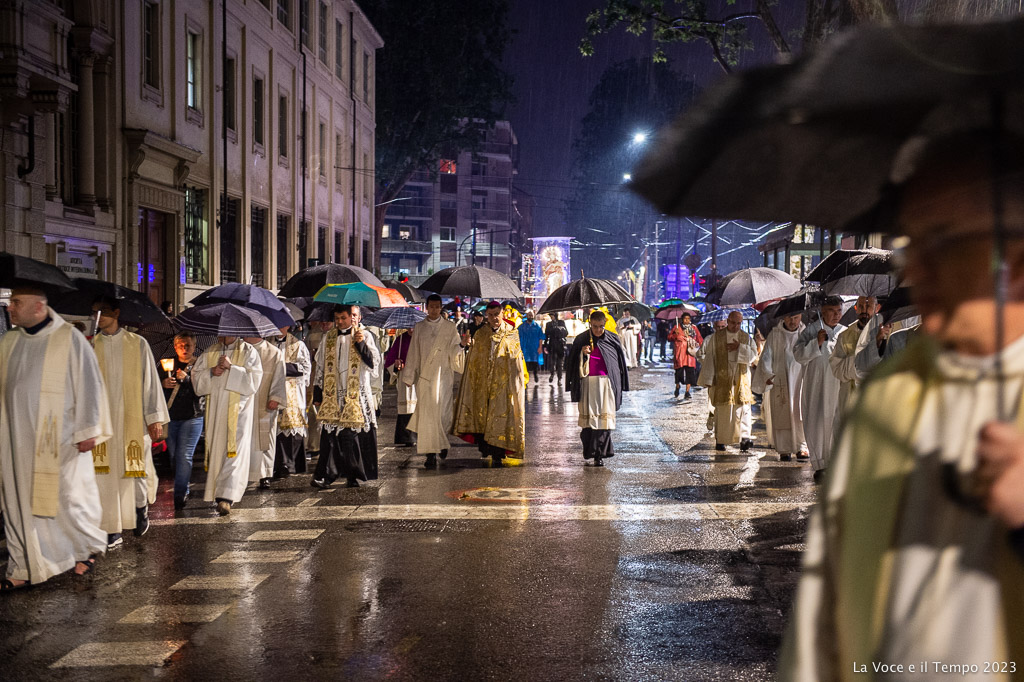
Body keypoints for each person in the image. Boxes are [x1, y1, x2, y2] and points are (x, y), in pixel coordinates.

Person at [780, 132, 1024, 681]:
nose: (915, 270)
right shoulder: (893, 391)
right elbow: (828, 600)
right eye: (913, 245)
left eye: (944, 242)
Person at [0, 288, 111, 589]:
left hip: (60, 439)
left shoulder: (69, 338)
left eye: (16, 302)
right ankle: (23, 566)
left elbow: (90, 383)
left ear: (38, 307)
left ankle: (86, 548)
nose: (10, 308)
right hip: (16, 439)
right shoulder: (10, 341)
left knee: (67, 501)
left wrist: (88, 429)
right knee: (17, 503)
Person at [89, 297, 168, 548]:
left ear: (116, 313)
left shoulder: (137, 343)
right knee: (104, 476)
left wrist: (154, 418)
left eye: (102, 312)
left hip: (133, 419)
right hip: (103, 423)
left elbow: (150, 382)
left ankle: (139, 507)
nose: (98, 318)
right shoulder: (91, 346)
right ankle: (111, 529)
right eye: (94, 313)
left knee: (134, 472)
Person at [192, 335, 263, 515]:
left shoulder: (248, 352)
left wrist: (232, 368)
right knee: (218, 450)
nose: (223, 335)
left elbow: (253, 383)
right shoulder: (210, 352)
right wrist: (211, 371)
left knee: (234, 451)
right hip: (216, 411)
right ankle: (218, 493)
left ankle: (226, 497)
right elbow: (197, 379)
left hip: (238, 412)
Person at [311, 305, 380, 489]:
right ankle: (326, 475)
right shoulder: (329, 337)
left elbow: (373, 366)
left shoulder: (365, 336)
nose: (339, 322)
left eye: (343, 318)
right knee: (330, 437)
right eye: (337, 318)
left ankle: (353, 475)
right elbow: (321, 367)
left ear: (352, 317)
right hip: (333, 394)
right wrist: (318, 393)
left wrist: (361, 344)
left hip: (355, 395)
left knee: (350, 437)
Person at [453, 301, 527, 464]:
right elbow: (474, 359)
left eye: (497, 315)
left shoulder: (511, 333)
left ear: (502, 314)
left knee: (500, 417)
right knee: (485, 416)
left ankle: (498, 453)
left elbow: (516, 359)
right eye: (491, 315)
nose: (494, 318)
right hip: (483, 383)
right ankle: (486, 447)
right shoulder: (481, 334)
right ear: (487, 315)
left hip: (503, 383)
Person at [403, 295, 467, 467]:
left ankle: (442, 440)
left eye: (437, 307)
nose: (434, 310)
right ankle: (430, 454)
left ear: (440, 308)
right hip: (425, 378)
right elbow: (414, 352)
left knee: (443, 414)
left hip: (443, 377)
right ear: (427, 308)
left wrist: (461, 345)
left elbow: (454, 351)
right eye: (431, 307)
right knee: (427, 417)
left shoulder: (449, 327)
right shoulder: (419, 327)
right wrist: (409, 376)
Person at [566, 310, 629, 466]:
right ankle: (590, 451)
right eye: (595, 326)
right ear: (590, 324)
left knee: (604, 422)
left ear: (605, 324)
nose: (598, 330)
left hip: (606, 383)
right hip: (588, 384)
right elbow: (571, 363)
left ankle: (599, 454)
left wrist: (621, 383)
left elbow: (618, 363)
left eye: (601, 326)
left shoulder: (612, 338)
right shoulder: (581, 339)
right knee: (589, 422)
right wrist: (583, 354)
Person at [793, 296, 846, 483]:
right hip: (817, 385)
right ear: (823, 312)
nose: (836, 315)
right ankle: (820, 464)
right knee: (817, 421)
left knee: (837, 421)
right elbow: (798, 354)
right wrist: (816, 343)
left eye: (839, 311)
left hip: (838, 385)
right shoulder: (812, 330)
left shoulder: (845, 332)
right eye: (832, 311)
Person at [698, 310, 758, 451]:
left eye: (738, 323)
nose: (735, 326)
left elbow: (753, 357)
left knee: (742, 409)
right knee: (722, 410)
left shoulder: (746, 338)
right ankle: (721, 439)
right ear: (728, 321)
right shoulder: (716, 337)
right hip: (721, 378)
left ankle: (744, 438)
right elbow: (710, 358)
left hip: (740, 379)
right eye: (733, 323)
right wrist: (708, 378)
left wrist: (740, 348)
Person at [755, 313, 806, 462]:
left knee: (800, 413)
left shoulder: (805, 334)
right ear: (783, 318)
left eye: (796, 317)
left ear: (801, 316)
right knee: (782, 414)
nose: (792, 321)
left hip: (800, 379)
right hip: (780, 380)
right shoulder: (775, 335)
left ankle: (802, 446)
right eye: (789, 317)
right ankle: (784, 449)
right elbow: (766, 356)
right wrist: (767, 374)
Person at [162, 331, 204, 509]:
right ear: (175, 347)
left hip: (192, 417)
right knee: (174, 456)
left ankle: (180, 493)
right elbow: (155, 388)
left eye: (188, 345)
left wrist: (187, 380)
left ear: (194, 346)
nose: (184, 348)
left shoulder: (200, 364)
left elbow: (203, 389)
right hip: (171, 416)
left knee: (184, 455)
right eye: (180, 345)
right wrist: (163, 383)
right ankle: (182, 484)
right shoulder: (166, 363)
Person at [243, 333, 286, 490]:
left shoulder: (273, 352)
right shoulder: (240, 350)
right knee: (244, 438)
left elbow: (279, 376)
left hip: (264, 401)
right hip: (244, 402)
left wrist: (275, 397)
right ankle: (244, 474)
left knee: (265, 438)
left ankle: (265, 474)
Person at [829, 295, 879, 427]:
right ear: (855, 308)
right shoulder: (844, 336)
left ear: (877, 308)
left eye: (868, 306)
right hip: (849, 399)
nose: (864, 310)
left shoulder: (884, 332)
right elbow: (836, 369)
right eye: (861, 306)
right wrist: (858, 361)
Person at [274, 325, 312, 478]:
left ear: (287, 326)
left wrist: (284, 368)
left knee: (291, 428)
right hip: (272, 392)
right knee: (275, 429)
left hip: (292, 392)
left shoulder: (298, 345)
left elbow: (306, 368)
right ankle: (277, 465)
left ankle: (291, 464)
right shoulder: (267, 344)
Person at [304, 319, 332, 458]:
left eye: (328, 321)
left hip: (331, 375)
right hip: (314, 374)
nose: (324, 323)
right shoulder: (313, 333)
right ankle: (313, 444)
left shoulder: (335, 335)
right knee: (312, 410)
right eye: (322, 321)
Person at [384, 328, 416, 447]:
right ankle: (407, 437)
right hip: (404, 375)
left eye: (414, 326)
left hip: (420, 376)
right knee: (406, 404)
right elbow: (390, 361)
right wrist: (396, 364)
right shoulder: (400, 339)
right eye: (409, 326)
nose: (411, 329)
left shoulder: (424, 338)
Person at [697, 319, 728, 434]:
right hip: (713, 374)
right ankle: (711, 414)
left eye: (723, 327)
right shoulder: (709, 339)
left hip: (727, 375)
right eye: (718, 327)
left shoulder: (731, 339)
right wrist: (709, 361)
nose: (720, 329)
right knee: (713, 397)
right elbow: (700, 354)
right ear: (714, 327)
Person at [667, 313, 703, 399]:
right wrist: (675, 335)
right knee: (679, 371)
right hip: (680, 353)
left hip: (690, 354)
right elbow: (669, 338)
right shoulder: (676, 327)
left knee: (690, 372)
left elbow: (699, 338)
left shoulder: (693, 328)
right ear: (682, 319)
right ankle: (677, 386)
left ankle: (687, 391)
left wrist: (702, 348)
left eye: (688, 318)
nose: (687, 320)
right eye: (685, 318)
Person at [544, 313, 569, 385]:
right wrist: (545, 345)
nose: (551, 317)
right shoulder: (549, 324)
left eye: (552, 316)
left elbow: (566, 333)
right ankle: (552, 374)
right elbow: (546, 335)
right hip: (552, 345)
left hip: (560, 345)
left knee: (560, 363)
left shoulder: (561, 323)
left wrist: (560, 330)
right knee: (552, 362)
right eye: (550, 316)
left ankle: (559, 379)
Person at [518, 310, 545, 377]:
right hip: (525, 348)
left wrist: (540, 347)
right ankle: (525, 377)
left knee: (535, 362)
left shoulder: (537, 327)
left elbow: (541, 337)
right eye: (529, 315)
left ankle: (535, 374)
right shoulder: (521, 327)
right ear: (527, 316)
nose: (530, 317)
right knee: (525, 363)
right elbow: (517, 337)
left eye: (531, 315)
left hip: (534, 347)